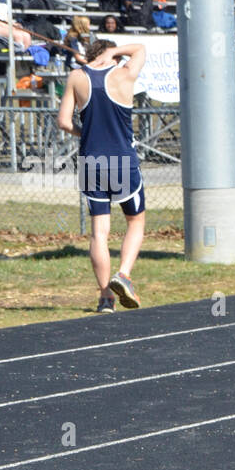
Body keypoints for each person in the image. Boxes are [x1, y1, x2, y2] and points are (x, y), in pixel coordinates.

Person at [56, 38, 148, 313]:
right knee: (135, 221)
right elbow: (140, 49)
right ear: (113, 56)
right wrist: (114, 53)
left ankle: (105, 297)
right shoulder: (124, 73)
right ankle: (124, 274)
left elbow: (63, 121)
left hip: (91, 160)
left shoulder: (76, 76)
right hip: (122, 158)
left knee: (99, 232)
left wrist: (86, 134)